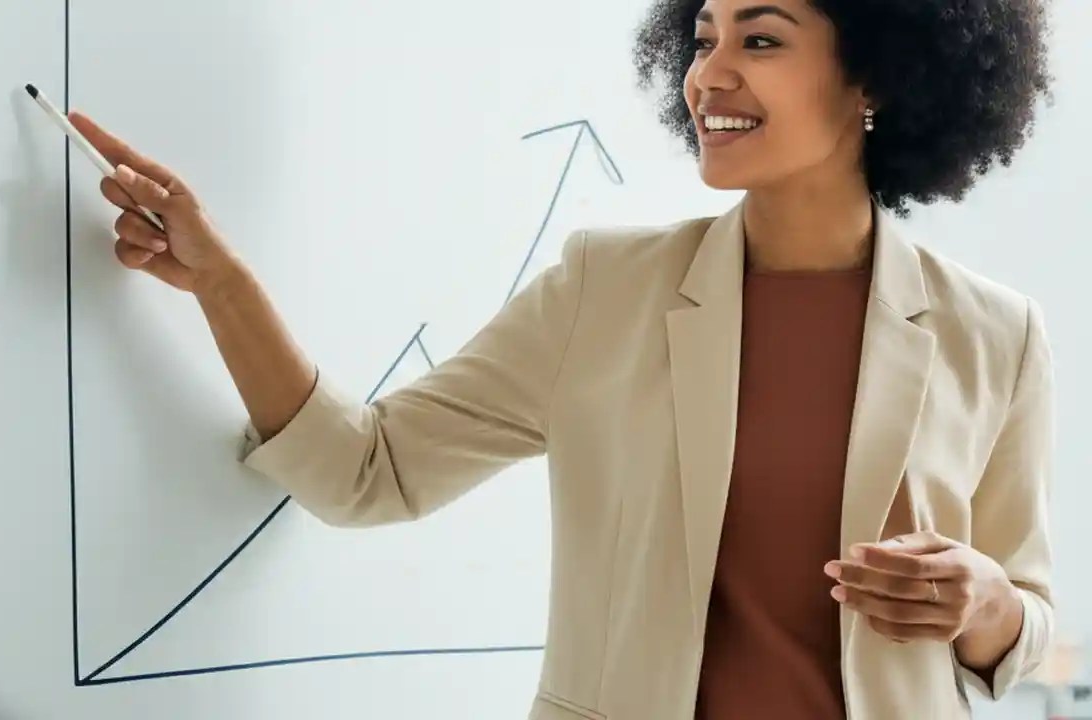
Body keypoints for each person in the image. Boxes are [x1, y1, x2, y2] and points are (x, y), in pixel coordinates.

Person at [68, 0, 1056, 717]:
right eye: (703, 37)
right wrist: (222, 285)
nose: (709, 73)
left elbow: (1025, 619)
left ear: (875, 75)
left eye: (759, 39)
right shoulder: (607, 289)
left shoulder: (993, 334)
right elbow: (366, 474)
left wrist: (986, 602)